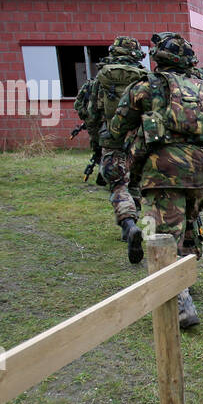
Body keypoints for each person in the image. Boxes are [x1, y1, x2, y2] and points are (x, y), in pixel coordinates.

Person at [102, 32, 203, 328]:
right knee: (188, 221)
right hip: (200, 170)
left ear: (158, 58)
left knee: (166, 235)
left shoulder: (144, 87)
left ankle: (181, 303)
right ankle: (187, 275)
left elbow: (118, 127)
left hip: (162, 170)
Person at [82, 36, 149, 250]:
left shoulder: (101, 79)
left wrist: (96, 141)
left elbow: (91, 114)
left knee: (119, 184)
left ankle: (128, 225)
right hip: (139, 139)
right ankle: (135, 219)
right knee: (136, 181)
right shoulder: (146, 79)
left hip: (112, 139)